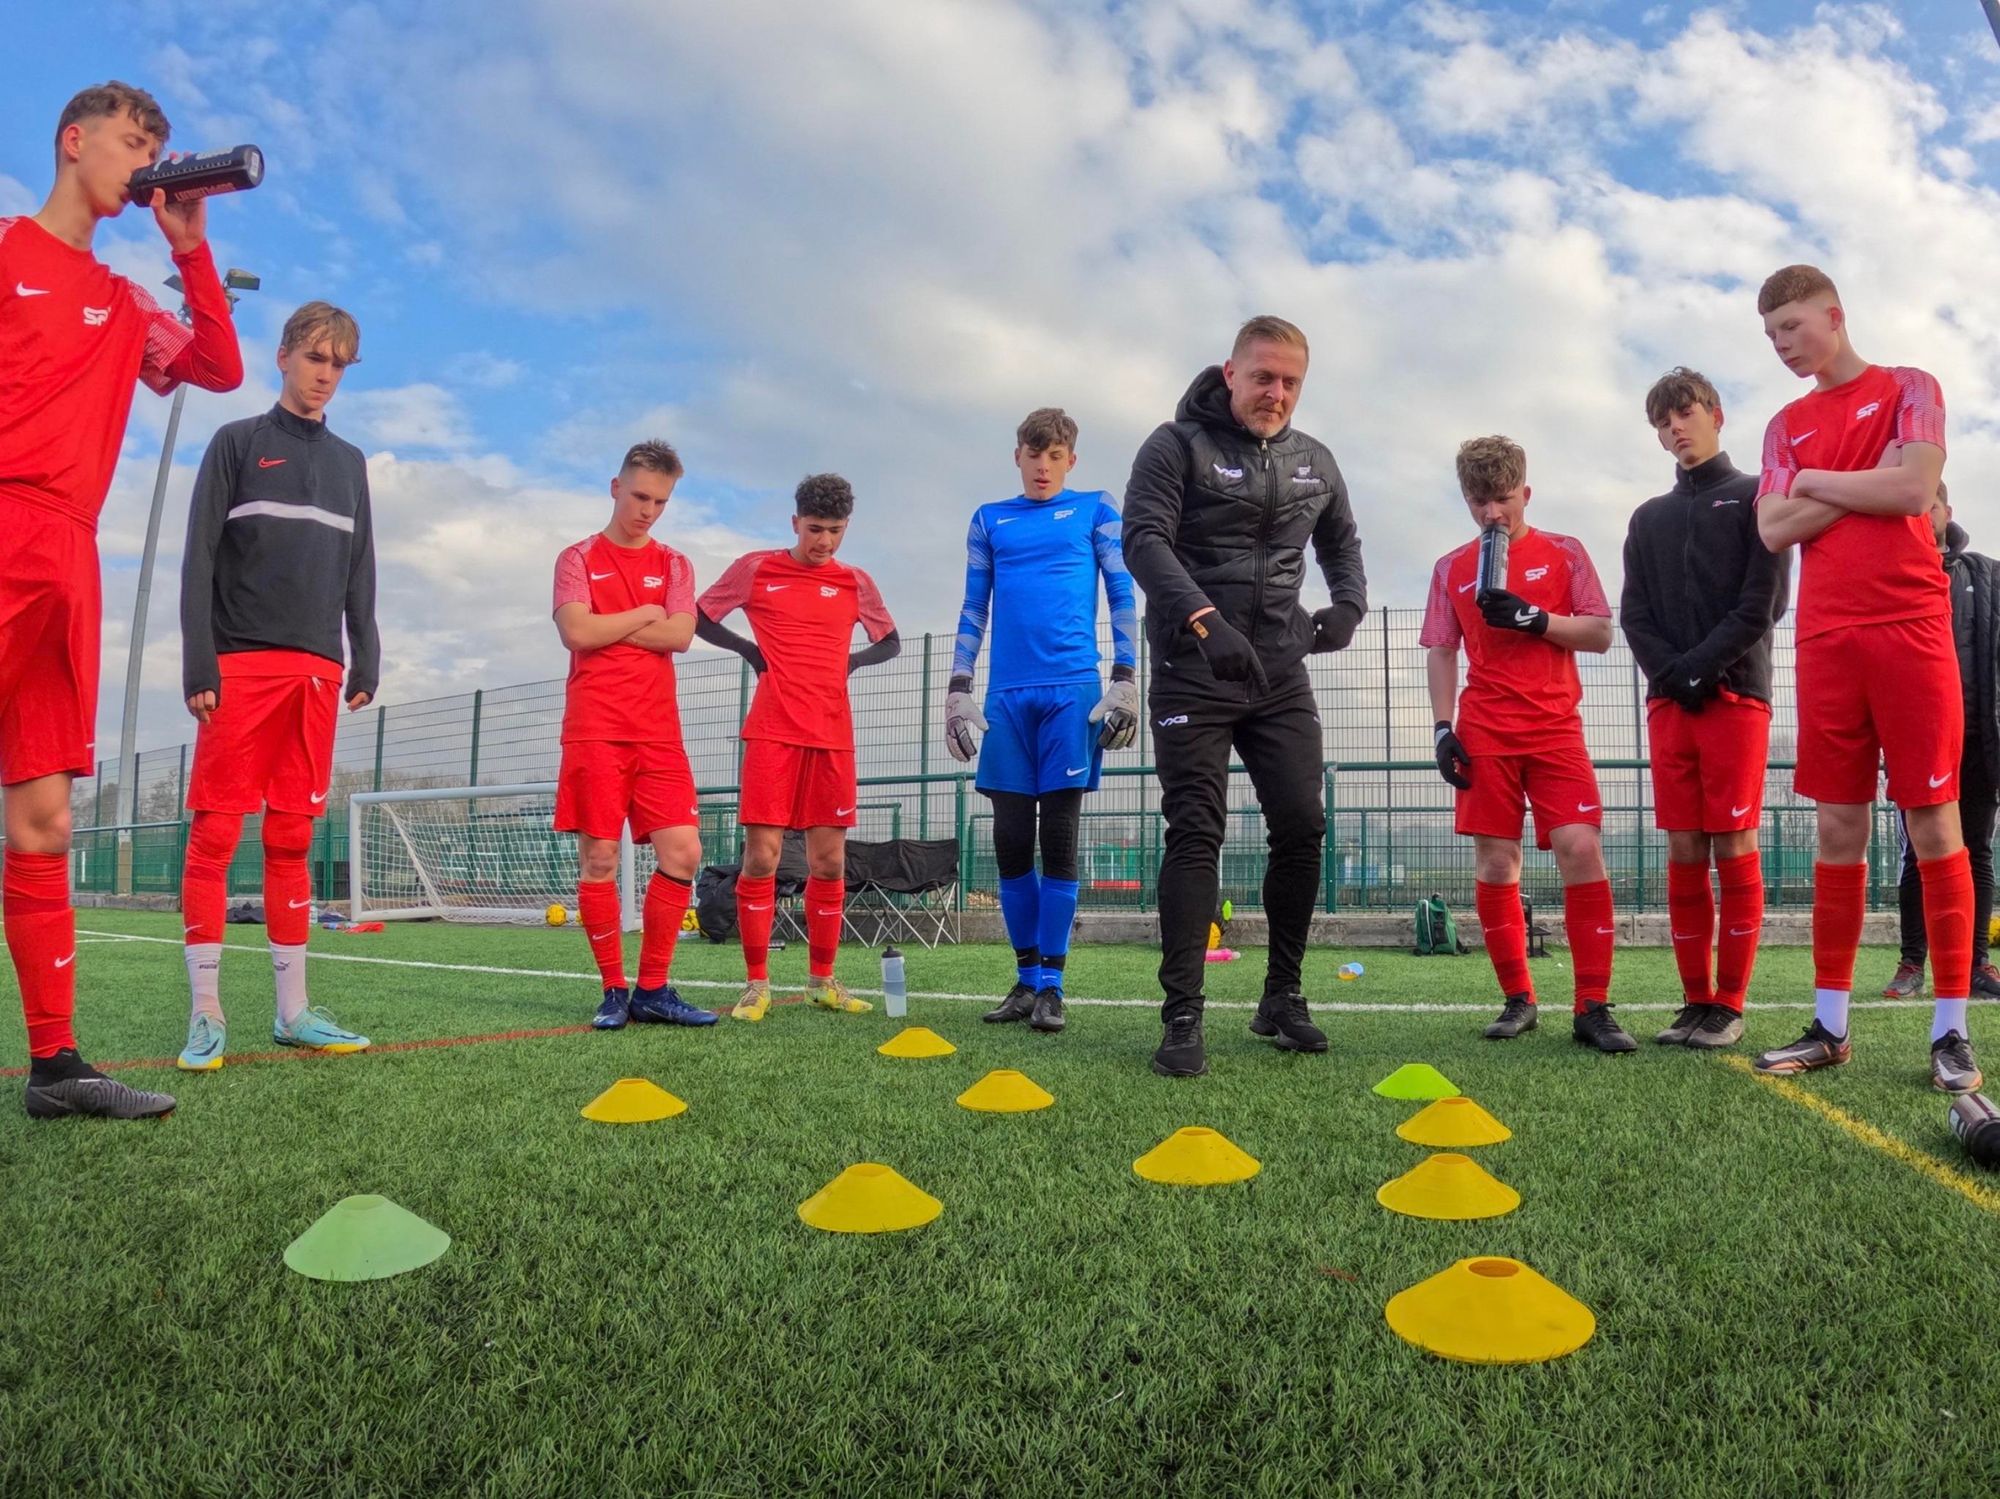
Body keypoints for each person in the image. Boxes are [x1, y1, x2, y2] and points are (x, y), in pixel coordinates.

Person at [2, 82, 243, 1119]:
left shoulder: (128, 302)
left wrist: (189, 248)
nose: (146, 157)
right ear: (74, 139)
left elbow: (219, 367)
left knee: (44, 816)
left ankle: (55, 1064)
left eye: (159, 147)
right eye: (134, 140)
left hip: (68, 553)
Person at [1750, 264, 1980, 1093]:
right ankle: (1831, 1024)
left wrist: (1822, 484)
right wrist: (1863, 487)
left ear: (1834, 316)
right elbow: (1774, 529)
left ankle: (1951, 1030)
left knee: (1935, 827)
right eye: (1770, 334)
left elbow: (1918, 487)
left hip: (1912, 632)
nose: (1781, 345)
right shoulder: (1784, 426)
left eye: (1792, 327)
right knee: (1838, 832)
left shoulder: (1910, 386)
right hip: (1827, 639)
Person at [1122, 315, 1366, 1078]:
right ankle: (1183, 1015)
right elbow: (1144, 539)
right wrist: (1201, 620)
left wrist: (1348, 607)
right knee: (1196, 831)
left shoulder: (1314, 461)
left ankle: (1282, 997)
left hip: (1280, 670)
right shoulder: (1175, 445)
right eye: (1264, 377)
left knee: (1302, 823)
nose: (1277, 393)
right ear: (1230, 372)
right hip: (1196, 663)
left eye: (1291, 381)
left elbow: (1342, 545)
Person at [175, 302, 379, 1069]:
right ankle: (206, 1012)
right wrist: (200, 661)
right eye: (314, 357)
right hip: (239, 667)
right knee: (217, 836)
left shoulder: (351, 462)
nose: (324, 374)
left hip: (316, 673)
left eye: (338, 364)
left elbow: (361, 565)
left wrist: (367, 650)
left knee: (293, 836)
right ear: (284, 355)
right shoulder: (236, 443)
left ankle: (293, 1011)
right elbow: (198, 559)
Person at [1423, 436, 1632, 1052]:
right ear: (1467, 500)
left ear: (1527, 493)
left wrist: (1536, 620)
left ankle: (1593, 1006)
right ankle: (1518, 999)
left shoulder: (1564, 554)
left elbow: (1599, 632)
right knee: (1495, 862)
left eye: (1504, 500)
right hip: (1485, 728)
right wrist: (1442, 728)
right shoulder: (1450, 568)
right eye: (1481, 502)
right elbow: (1441, 649)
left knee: (1580, 847)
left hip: (1555, 728)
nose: (1494, 514)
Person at [943, 407, 1137, 1035]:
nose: (1043, 466)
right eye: (1034, 454)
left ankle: (1053, 983)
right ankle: (1025, 979)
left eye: (1055, 456)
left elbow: (1122, 592)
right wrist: (957, 686)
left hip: (1071, 692)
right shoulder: (988, 519)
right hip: (1006, 697)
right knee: (1006, 843)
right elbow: (975, 604)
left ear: (1070, 460)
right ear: (1017, 455)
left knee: (1058, 835)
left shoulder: (1096, 509)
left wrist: (1127, 678)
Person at [1619, 368, 1788, 1050]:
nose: (1675, 429)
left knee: (1734, 841)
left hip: (1735, 695)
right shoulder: (1647, 518)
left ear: (1715, 413)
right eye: (1663, 422)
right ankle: (1693, 1001)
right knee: (1684, 844)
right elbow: (1633, 612)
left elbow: (1764, 602)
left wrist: (1700, 666)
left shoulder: (1755, 497)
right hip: (1670, 701)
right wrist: (1670, 671)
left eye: (1684, 413)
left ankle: (1730, 1001)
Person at [697, 474, 900, 1020]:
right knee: (761, 857)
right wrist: (748, 650)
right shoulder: (757, 568)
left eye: (835, 531)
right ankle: (757, 983)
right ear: (795, 523)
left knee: (829, 863)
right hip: (772, 731)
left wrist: (852, 663)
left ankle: (822, 981)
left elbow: (891, 641)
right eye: (815, 530)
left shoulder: (856, 581)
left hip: (832, 735)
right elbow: (699, 615)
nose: (825, 542)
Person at [552, 441, 717, 1032]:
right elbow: (575, 631)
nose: (648, 510)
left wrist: (612, 627)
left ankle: (653, 988)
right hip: (595, 729)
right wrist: (646, 613)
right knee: (599, 859)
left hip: (658, 733)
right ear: (615, 487)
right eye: (641, 495)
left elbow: (679, 637)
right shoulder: (576, 557)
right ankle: (614, 992)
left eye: (661, 501)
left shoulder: (675, 564)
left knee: (685, 852)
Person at [1883, 487, 2000, 1002]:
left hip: (1979, 739)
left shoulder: (1987, 575)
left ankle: (1978, 963)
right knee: (1917, 855)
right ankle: (1912, 962)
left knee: (1976, 851)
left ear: (1946, 513)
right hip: (1920, 738)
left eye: (1929, 506)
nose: (1921, 515)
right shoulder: (1891, 574)